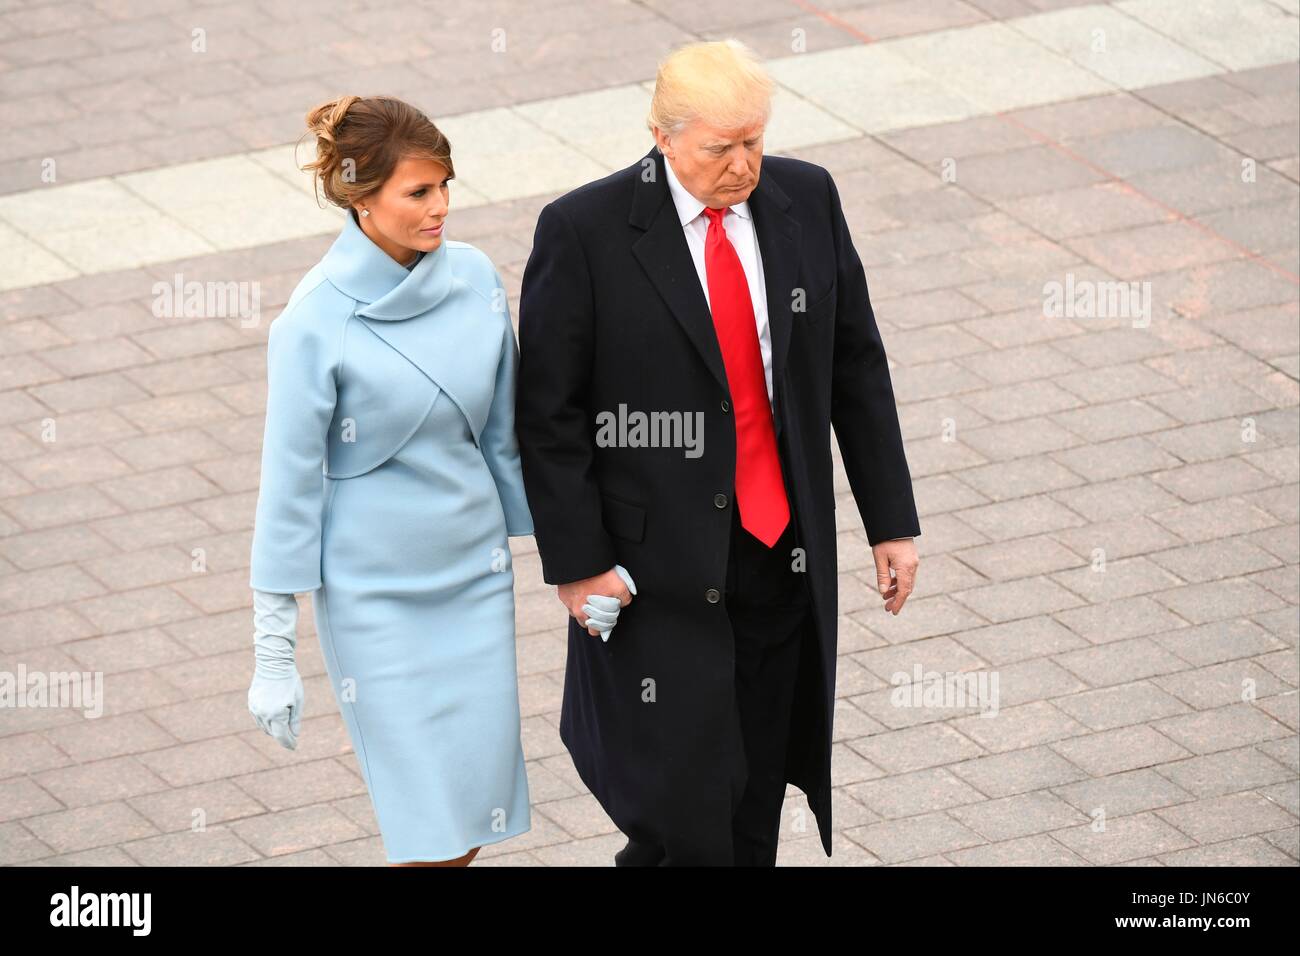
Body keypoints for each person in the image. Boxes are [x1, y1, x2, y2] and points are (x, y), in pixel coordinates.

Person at [515, 39, 922, 866]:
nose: (743, 166)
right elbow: (550, 416)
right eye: (719, 148)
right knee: (678, 814)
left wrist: (892, 522)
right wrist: (577, 563)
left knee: (754, 798)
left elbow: (855, 362)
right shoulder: (583, 231)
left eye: (754, 141)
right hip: (653, 576)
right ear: (662, 138)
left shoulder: (807, 198)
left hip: (780, 553)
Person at [246, 95, 547, 866]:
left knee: (470, 824)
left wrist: (579, 562)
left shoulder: (476, 277)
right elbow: (288, 489)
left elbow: (507, 439)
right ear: (360, 197)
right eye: (419, 192)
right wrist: (273, 651)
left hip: (474, 583)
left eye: (445, 185)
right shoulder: (311, 323)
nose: (441, 206)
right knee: (428, 825)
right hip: (376, 600)